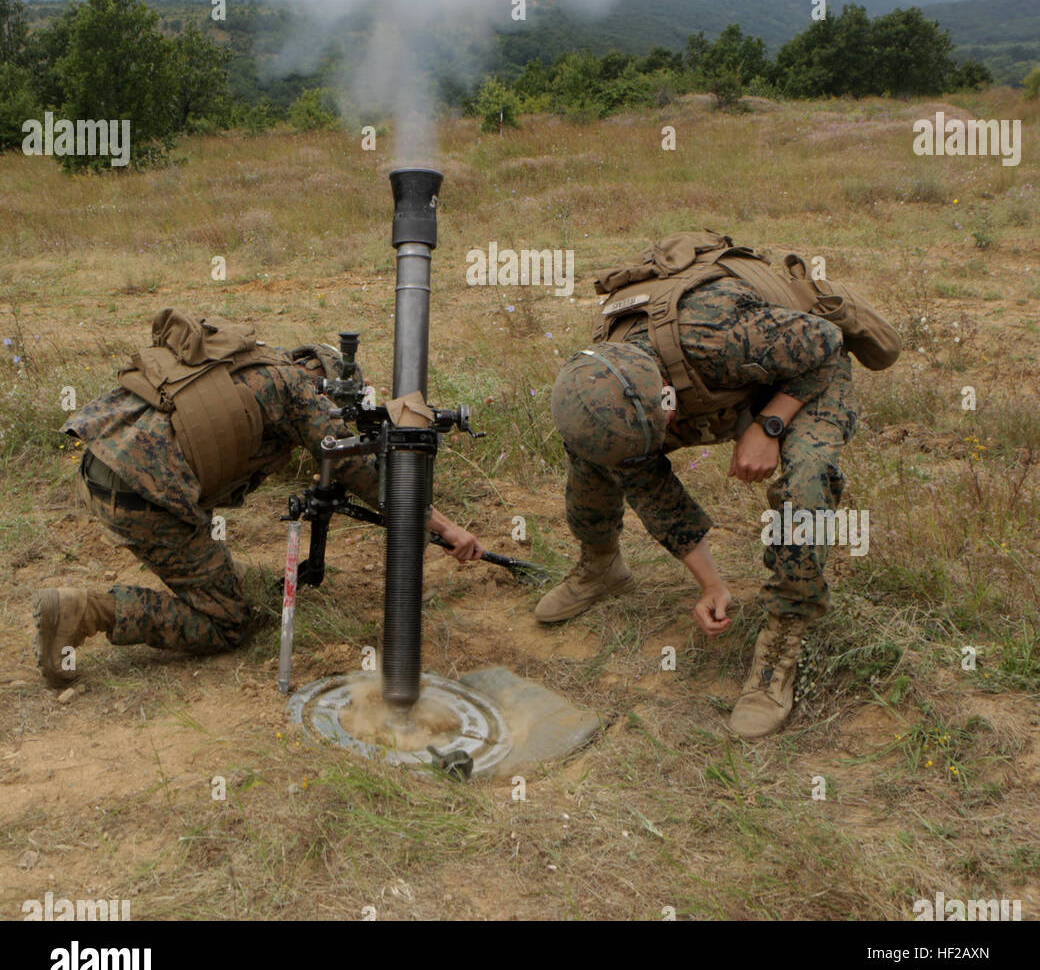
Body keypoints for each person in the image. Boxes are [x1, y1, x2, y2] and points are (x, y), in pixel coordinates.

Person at [34, 318, 482, 686]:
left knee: (240, 579)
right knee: (227, 620)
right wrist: (445, 527)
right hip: (143, 499)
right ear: (323, 382)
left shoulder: (241, 362)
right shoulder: (298, 392)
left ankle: (209, 575)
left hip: (99, 463)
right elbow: (360, 474)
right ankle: (85, 611)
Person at [537, 275, 858, 739]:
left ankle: (786, 630)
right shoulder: (609, 370)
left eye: (662, 422)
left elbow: (828, 344)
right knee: (598, 447)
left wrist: (770, 425)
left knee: (805, 480)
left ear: (666, 394)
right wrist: (710, 584)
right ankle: (601, 565)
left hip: (809, 373)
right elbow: (649, 483)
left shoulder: (720, 337)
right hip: (715, 382)